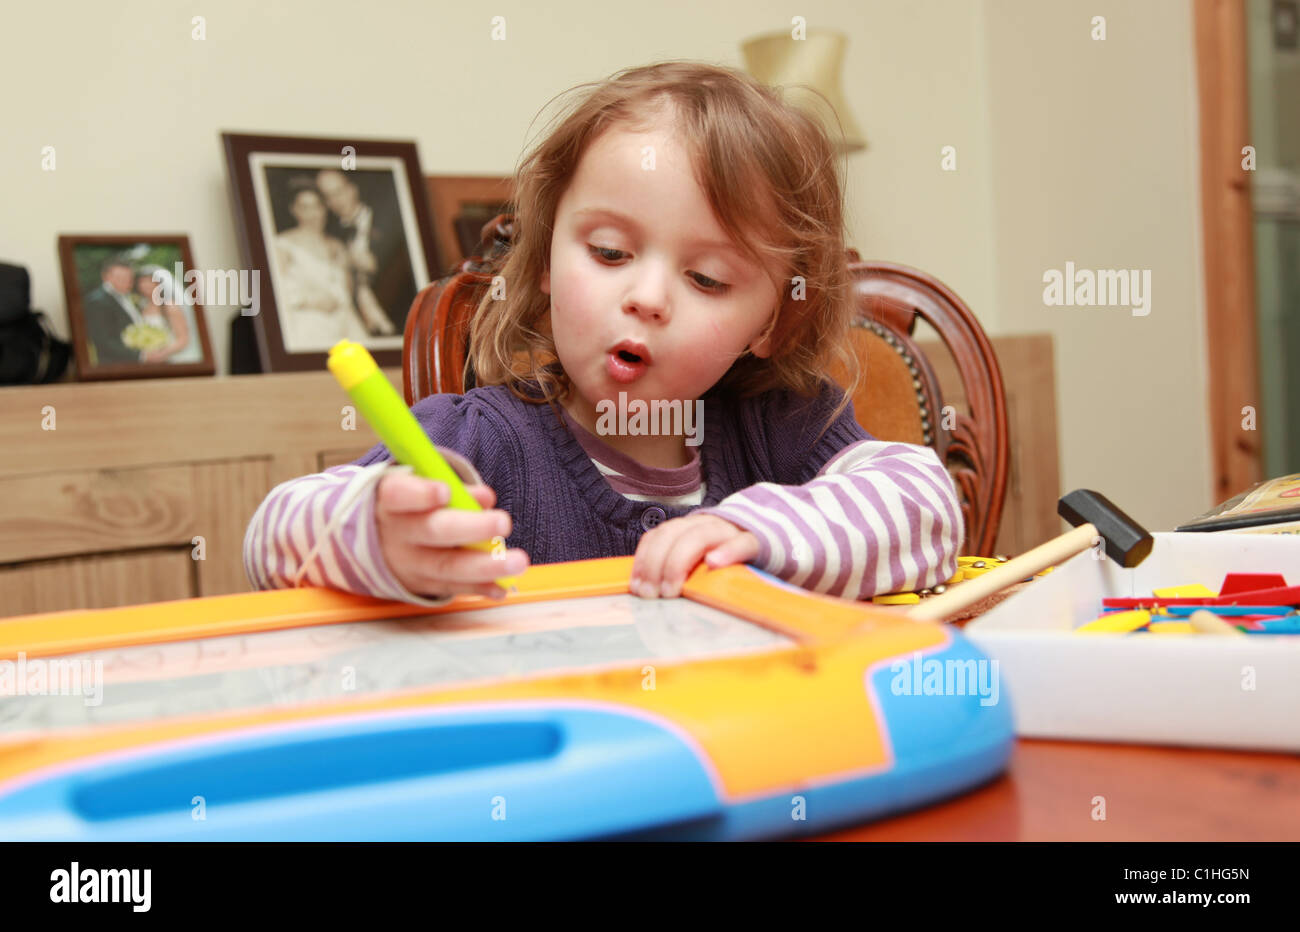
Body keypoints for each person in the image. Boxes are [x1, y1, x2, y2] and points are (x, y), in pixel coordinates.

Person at [245, 61, 963, 606]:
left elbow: (928, 508)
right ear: (549, 257)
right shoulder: (482, 440)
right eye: (610, 253)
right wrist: (378, 531)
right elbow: (268, 539)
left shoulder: (785, 425)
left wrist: (768, 532)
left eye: (707, 279)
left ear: (772, 321)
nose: (646, 298)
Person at [272, 179, 370, 351]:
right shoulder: (283, 244)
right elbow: (280, 291)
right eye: (305, 207)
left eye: (317, 206)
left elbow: (347, 291)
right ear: (294, 210)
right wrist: (311, 301)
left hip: (344, 322)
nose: (313, 213)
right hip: (309, 323)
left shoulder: (337, 246)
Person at [315, 168, 406, 336]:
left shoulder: (393, 218)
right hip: (362, 326)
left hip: (400, 313)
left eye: (339, 191)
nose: (337, 200)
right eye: (329, 196)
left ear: (352, 188)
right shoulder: (331, 236)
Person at [82, 257, 144, 365]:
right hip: (115, 366)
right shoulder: (97, 301)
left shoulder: (129, 297)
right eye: (122, 277)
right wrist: (141, 356)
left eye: (130, 278)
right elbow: (103, 341)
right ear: (106, 277)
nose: (128, 282)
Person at [133, 266, 193, 363]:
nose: (145, 285)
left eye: (149, 281)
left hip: (171, 359)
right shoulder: (142, 308)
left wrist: (162, 353)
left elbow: (183, 339)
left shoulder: (170, 306)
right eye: (142, 282)